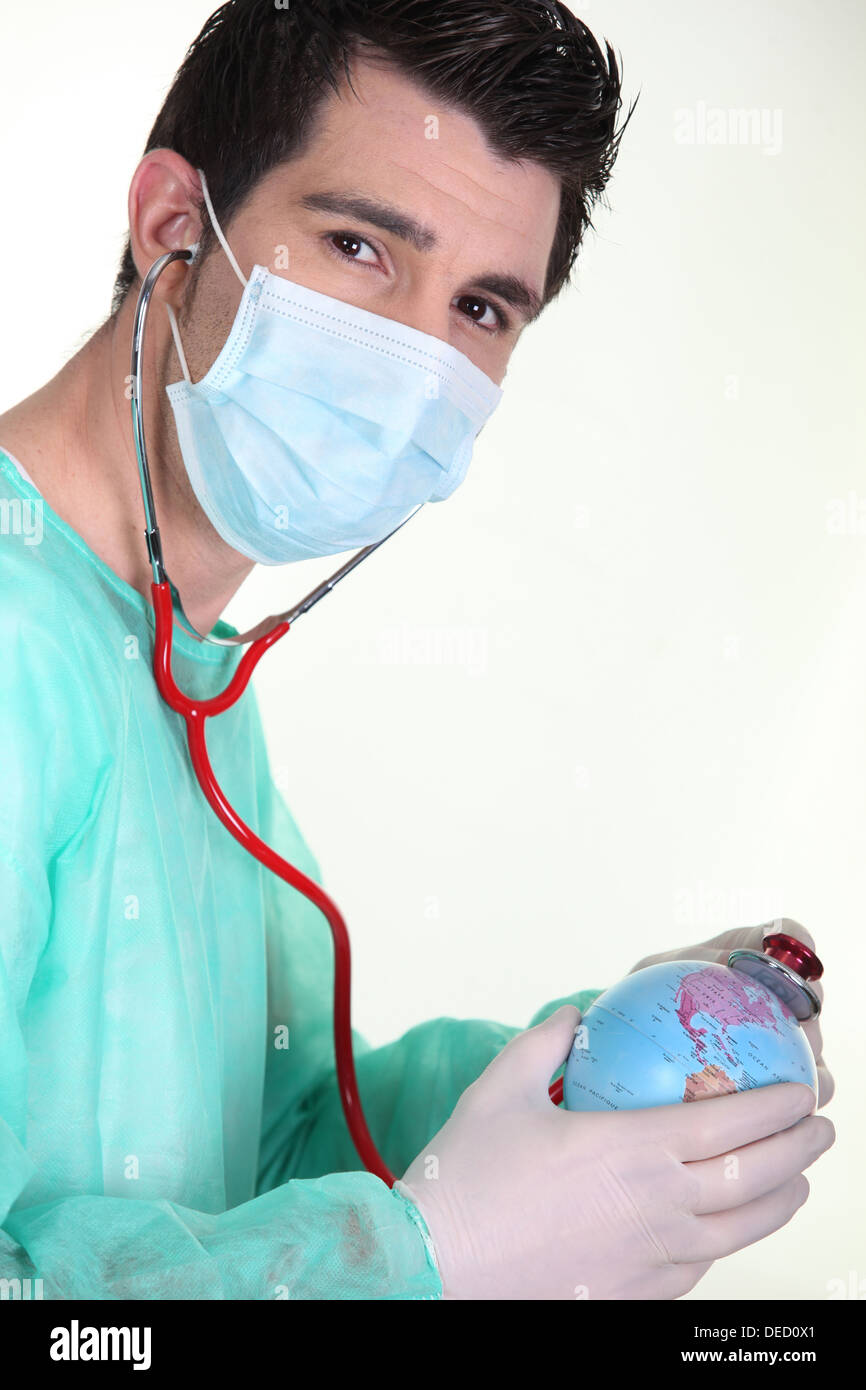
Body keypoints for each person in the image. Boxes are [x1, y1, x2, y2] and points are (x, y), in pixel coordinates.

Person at [0, 0, 834, 1301]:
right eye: (357, 246)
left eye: (484, 307)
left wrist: (586, 1069)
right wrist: (421, 1257)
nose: (414, 359)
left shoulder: (181, 670)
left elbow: (248, 1153)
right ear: (172, 221)